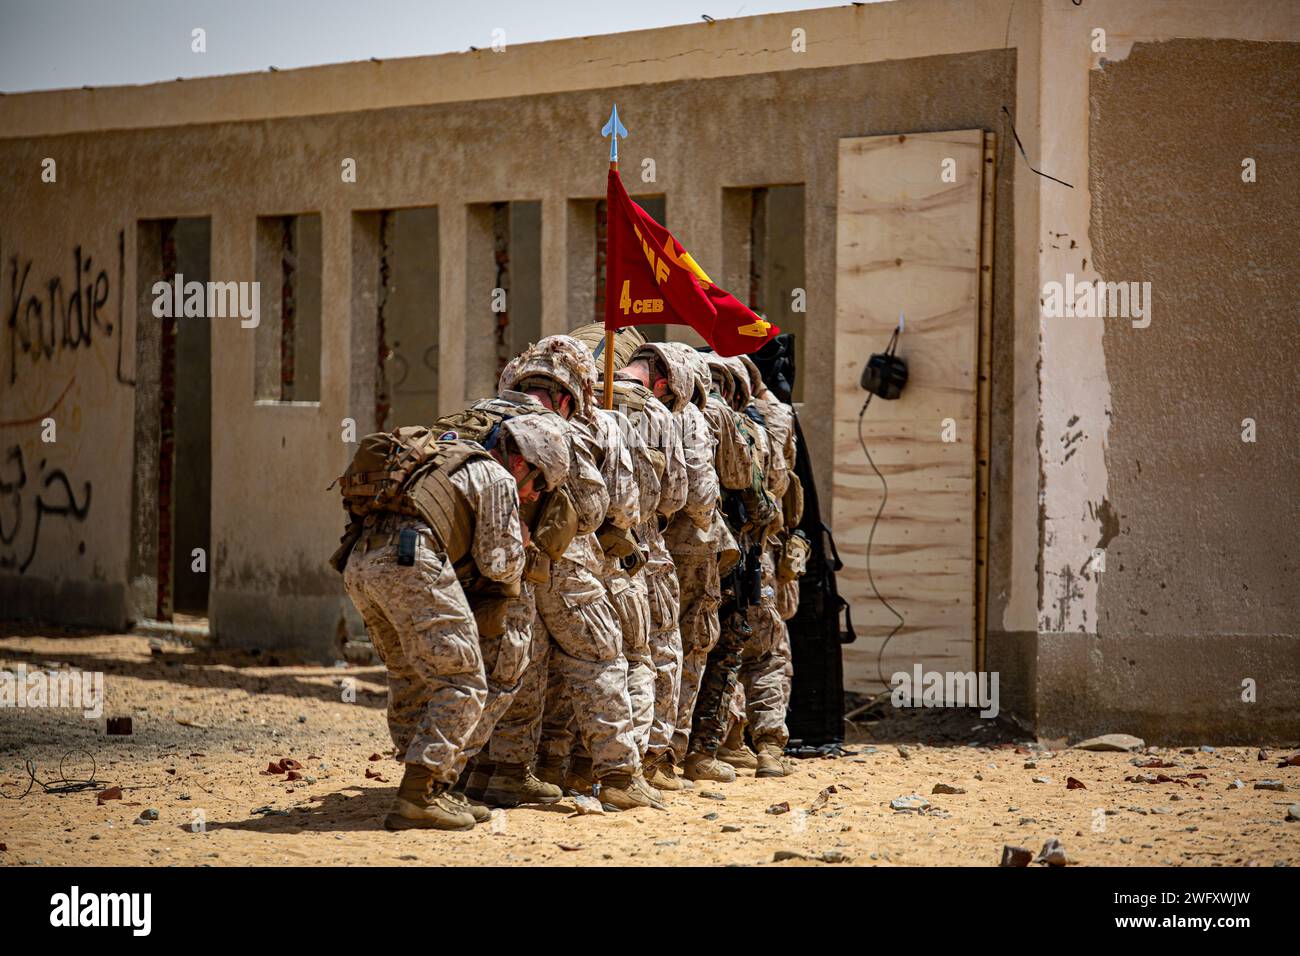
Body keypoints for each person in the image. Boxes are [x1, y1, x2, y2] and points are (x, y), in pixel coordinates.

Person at [489, 335, 662, 811]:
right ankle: (620, 777)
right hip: (566, 570)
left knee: (523, 667)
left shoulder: (486, 419)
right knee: (602, 659)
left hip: (502, 568)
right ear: (568, 395)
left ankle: (505, 773)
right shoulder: (560, 428)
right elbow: (596, 508)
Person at [329, 429, 529, 831]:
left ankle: (430, 784)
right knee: (464, 681)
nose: (536, 494)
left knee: (410, 677)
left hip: (362, 564)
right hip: (410, 563)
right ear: (523, 463)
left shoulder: (440, 459)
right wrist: (522, 545)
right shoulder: (497, 476)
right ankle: (420, 796)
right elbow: (498, 564)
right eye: (537, 483)